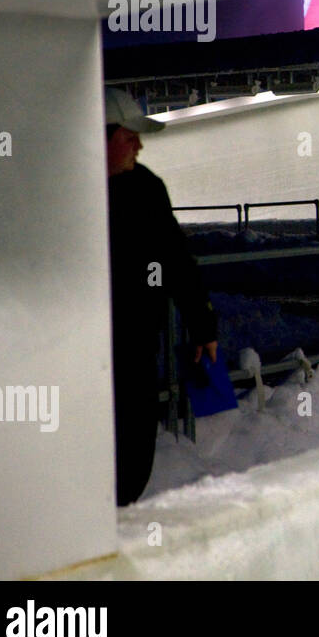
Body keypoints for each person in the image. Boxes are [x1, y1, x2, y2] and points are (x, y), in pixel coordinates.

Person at [105, 87, 217, 505]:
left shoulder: (146, 189)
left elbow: (175, 259)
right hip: (78, 357)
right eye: (128, 136)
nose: (139, 143)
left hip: (133, 350)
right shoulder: (64, 195)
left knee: (133, 459)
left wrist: (202, 323)